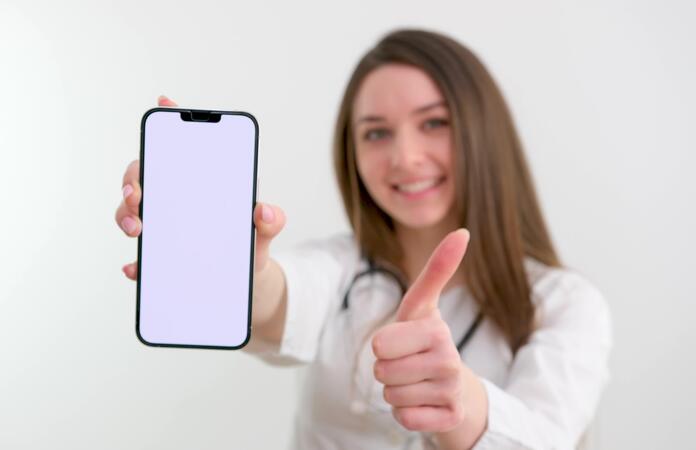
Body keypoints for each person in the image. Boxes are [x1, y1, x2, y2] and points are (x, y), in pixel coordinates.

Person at [114, 29, 611, 450]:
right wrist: (236, 264)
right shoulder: (339, 267)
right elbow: (277, 300)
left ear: (484, 133)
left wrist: (457, 397)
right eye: (376, 133)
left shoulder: (567, 304)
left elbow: (547, 434)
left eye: (434, 123)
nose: (405, 157)